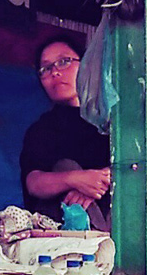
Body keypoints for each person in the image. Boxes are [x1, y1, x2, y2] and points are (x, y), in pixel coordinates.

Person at [19, 35, 112, 230]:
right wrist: (76, 179)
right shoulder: (42, 129)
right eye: (45, 69)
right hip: (62, 227)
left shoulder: (112, 122)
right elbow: (34, 182)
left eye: (64, 62)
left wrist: (98, 183)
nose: (55, 73)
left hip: (115, 215)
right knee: (64, 166)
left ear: (85, 65)